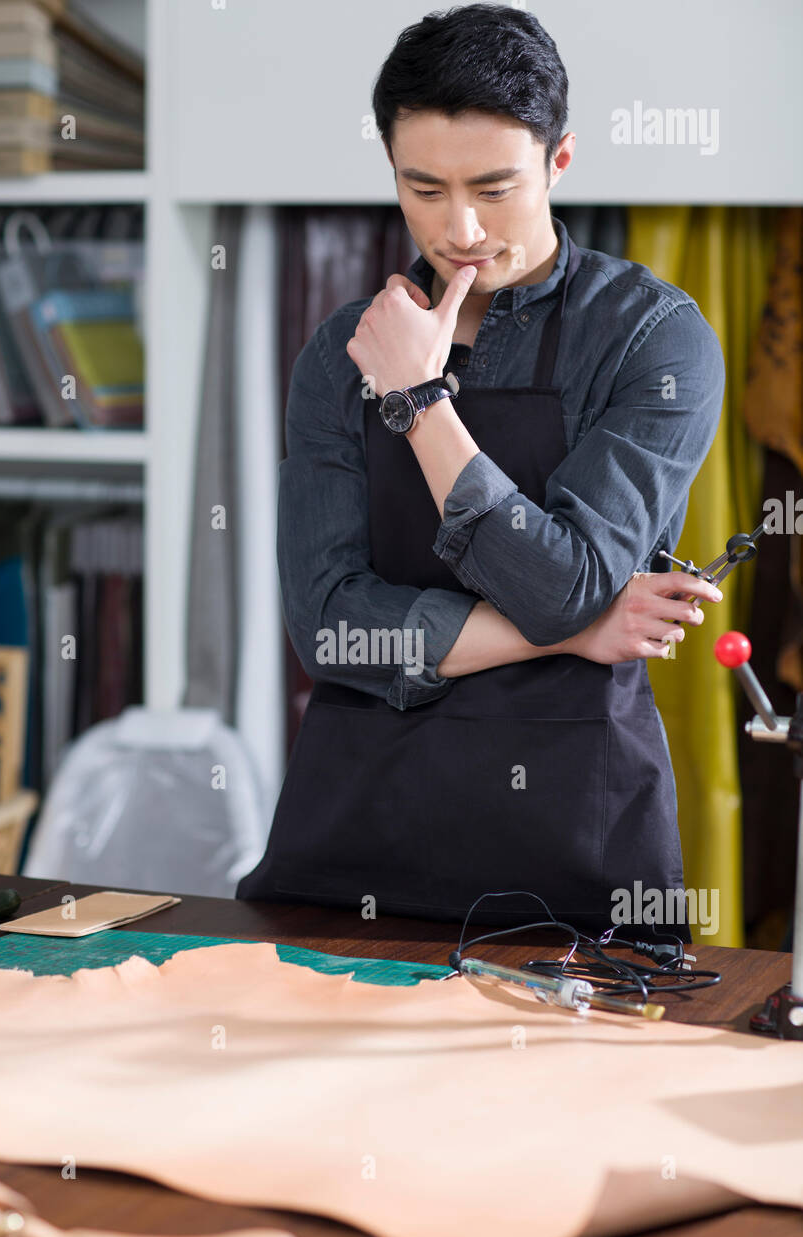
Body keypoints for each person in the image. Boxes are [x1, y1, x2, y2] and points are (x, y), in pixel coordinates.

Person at [237, 4, 725, 941]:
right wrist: (572, 634)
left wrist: (421, 401)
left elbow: (565, 582)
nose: (459, 228)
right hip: (356, 843)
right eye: (423, 189)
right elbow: (331, 633)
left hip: (578, 853)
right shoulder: (343, 349)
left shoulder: (652, 339)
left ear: (560, 162)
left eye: (495, 189)